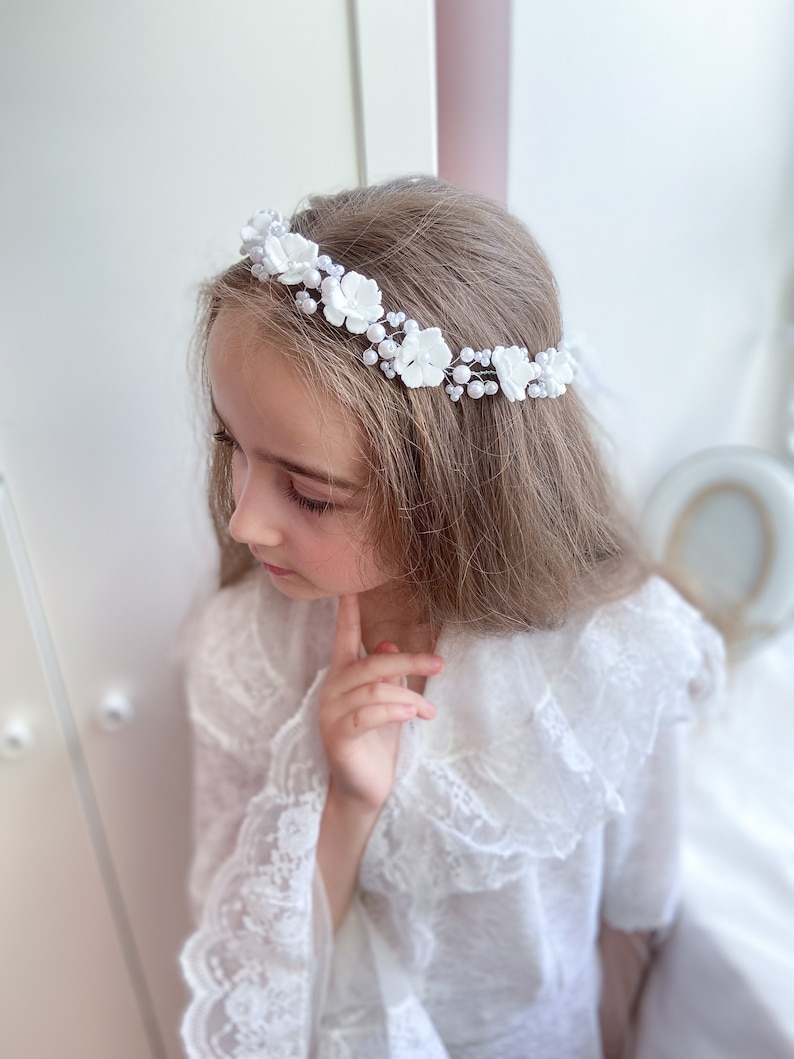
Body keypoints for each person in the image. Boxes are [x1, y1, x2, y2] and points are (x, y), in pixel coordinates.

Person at [178, 177, 723, 1059]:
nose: (244, 520)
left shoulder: (618, 652)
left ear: (463, 486)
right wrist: (343, 802)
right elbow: (243, 969)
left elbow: (637, 898)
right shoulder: (245, 651)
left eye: (310, 493)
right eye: (230, 447)